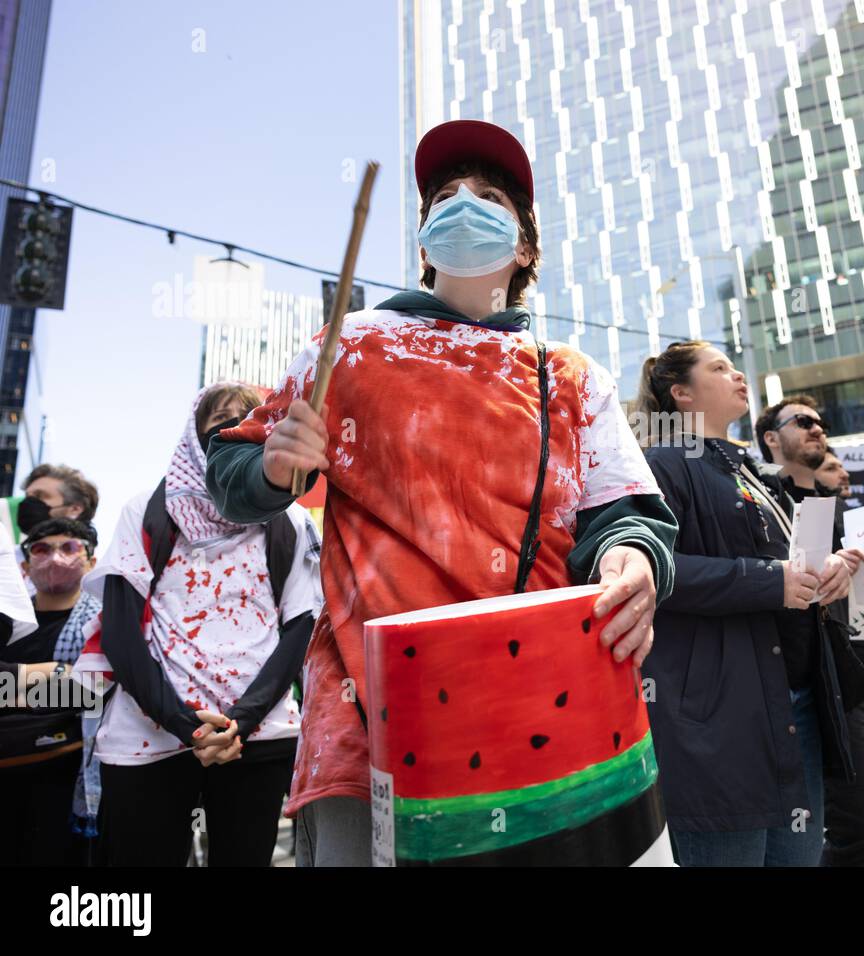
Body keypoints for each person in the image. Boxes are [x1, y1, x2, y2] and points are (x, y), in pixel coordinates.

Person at [206, 120, 677, 867]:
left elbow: (622, 511)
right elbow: (229, 474)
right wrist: (271, 469)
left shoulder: (574, 373)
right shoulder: (350, 344)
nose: (463, 203)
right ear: (425, 242)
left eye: (489, 196)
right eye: (445, 196)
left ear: (523, 246)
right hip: (368, 717)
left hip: (545, 706)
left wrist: (634, 557)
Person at [636, 344, 864, 866]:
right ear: (682, 393)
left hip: (796, 704)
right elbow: (651, 569)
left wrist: (830, 570)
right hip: (721, 715)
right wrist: (770, 581)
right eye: (718, 368)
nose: (737, 373)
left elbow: (795, 565)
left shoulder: (755, 476)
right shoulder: (662, 464)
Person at [76, 382, 323, 867]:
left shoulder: (291, 522)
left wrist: (241, 722)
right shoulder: (146, 510)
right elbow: (123, 633)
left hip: (257, 741)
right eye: (218, 424)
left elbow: (300, 629)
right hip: (149, 743)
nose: (230, 431)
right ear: (194, 437)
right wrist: (183, 725)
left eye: (245, 423)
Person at [755, 397, 864, 867]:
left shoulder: (852, 516)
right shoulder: (765, 503)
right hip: (833, 683)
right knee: (856, 832)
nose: (817, 429)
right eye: (802, 422)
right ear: (770, 439)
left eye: (821, 423)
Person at [0, 518, 101, 865]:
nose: (55, 558)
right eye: (42, 549)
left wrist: (10, 688)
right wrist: (54, 673)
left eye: (69, 547)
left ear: (92, 561)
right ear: (25, 565)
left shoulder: (102, 621)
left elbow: (94, 690)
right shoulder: (9, 621)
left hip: (67, 780)